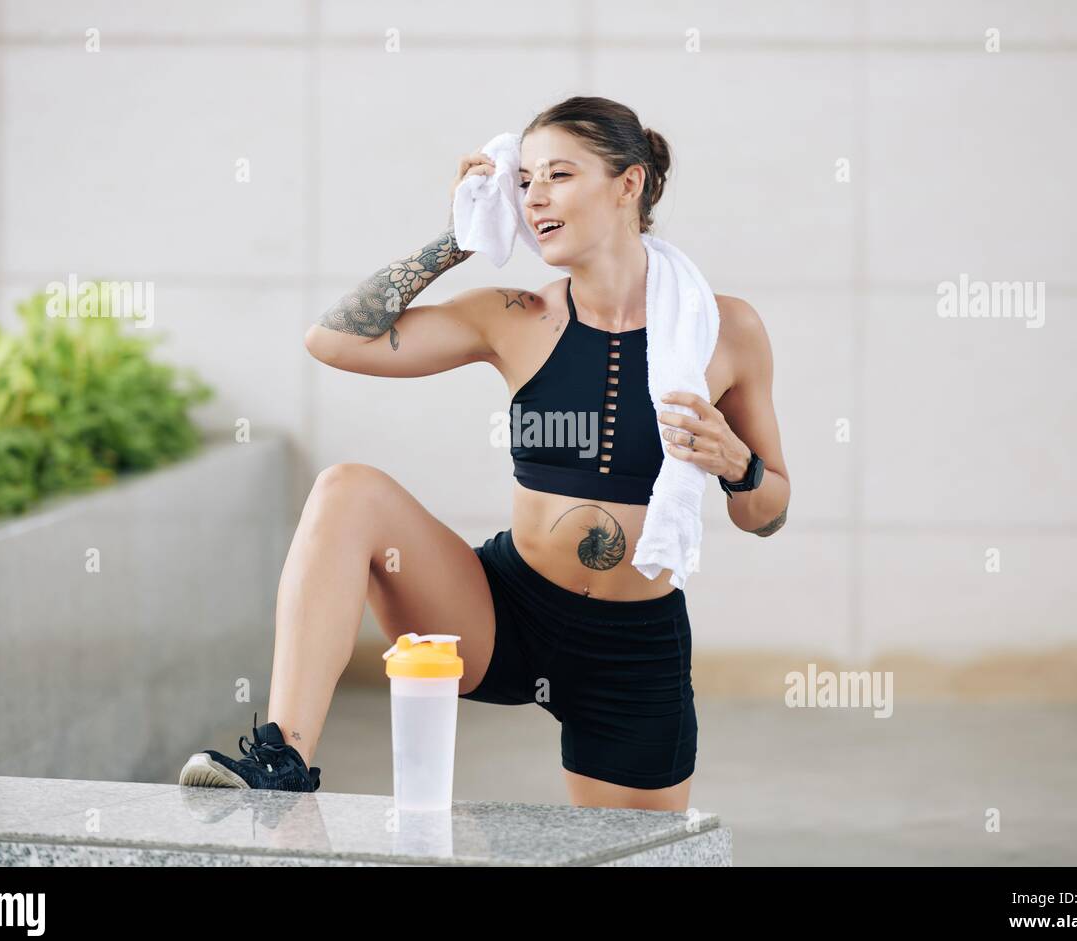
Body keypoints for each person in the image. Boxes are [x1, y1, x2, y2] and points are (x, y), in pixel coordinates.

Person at [178, 95, 790, 811]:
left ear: (629, 184)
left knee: (633, 860)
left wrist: (736, 463)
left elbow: (766, 513)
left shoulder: (724, 329)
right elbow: (333, 340)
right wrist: (458, 238)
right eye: (524, 181)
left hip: (633, 648)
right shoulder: (514, 317)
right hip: (502, 611)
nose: (534, 197)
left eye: (558, 175)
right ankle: (283, 760)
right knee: (348, 489)